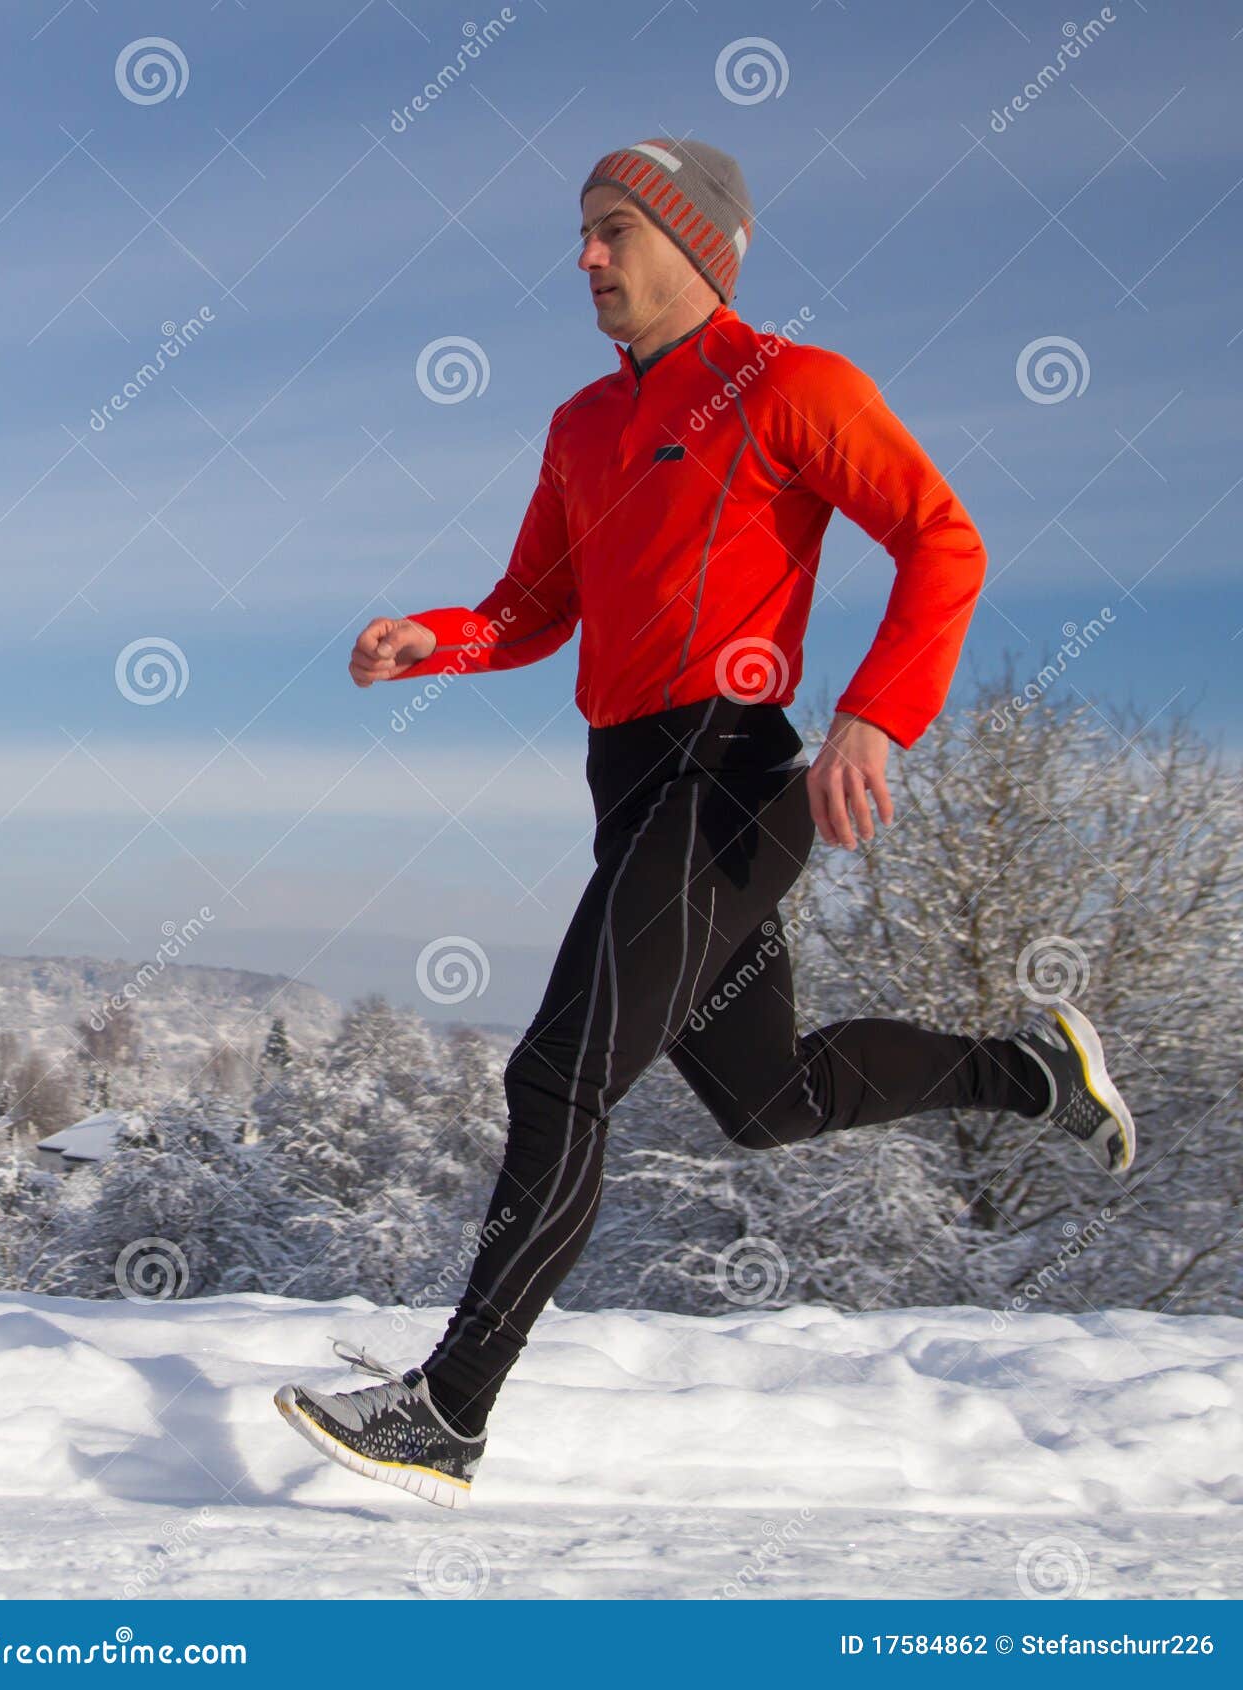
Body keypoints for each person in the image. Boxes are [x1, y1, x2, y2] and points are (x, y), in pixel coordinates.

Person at [274, 138, 1135, 1510]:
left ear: (702, 246)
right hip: (632, 788)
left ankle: (450, 1406)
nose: (588, 258)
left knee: (557, 1073)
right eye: (584, 232)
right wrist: (427, 637)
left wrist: (874, 713)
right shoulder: (580, 426)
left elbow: (940, 537)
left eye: (616, 229)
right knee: (767, 1097)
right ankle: (1031, 1072)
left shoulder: (797, 384)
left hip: (730, 777)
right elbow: (529, 606)